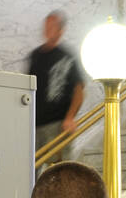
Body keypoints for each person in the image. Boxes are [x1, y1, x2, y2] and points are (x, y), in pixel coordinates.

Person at [28, 10, 86, 164]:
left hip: (57, 124)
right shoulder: (35, 55)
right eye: (46, 26)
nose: (47, 30)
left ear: (61, 30)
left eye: (52, 26)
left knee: (58, 169)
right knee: (31, 170)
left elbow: (79, 90)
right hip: (35, 125)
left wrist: (70, 118)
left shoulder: (67, 56)